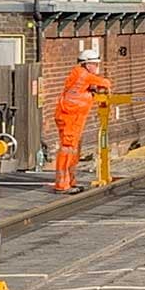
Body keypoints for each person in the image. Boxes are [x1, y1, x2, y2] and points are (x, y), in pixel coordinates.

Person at [52, 50, 112, 193]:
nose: (97, 67)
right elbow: (106, 82)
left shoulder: (80, 74)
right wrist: (98, 88)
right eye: (95, 64)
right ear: (87, 64)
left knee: (73, 150)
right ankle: (62, 185)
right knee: (67, 149)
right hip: (69, 118)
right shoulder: (83, 75)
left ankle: (70, 181)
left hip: (74, 118)